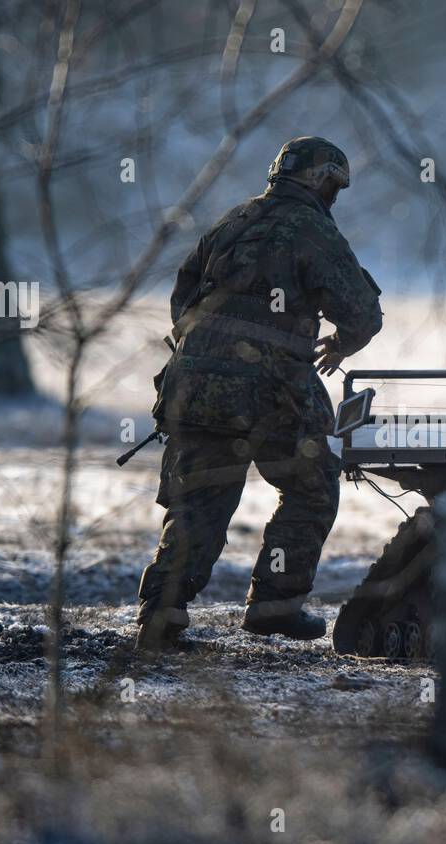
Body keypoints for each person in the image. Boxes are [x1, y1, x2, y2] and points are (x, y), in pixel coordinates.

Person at [135, 136, 383, 651]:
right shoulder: (313, 230)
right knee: (313, 485)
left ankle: (162, 611)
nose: (335, 196)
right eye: (334, 186)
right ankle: (275, 605)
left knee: (199, 498)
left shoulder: (231, 221)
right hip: (269, 386)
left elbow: (183, 301)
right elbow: (361, 310)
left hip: (196, 384)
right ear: (320, 180)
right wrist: (340, 343)